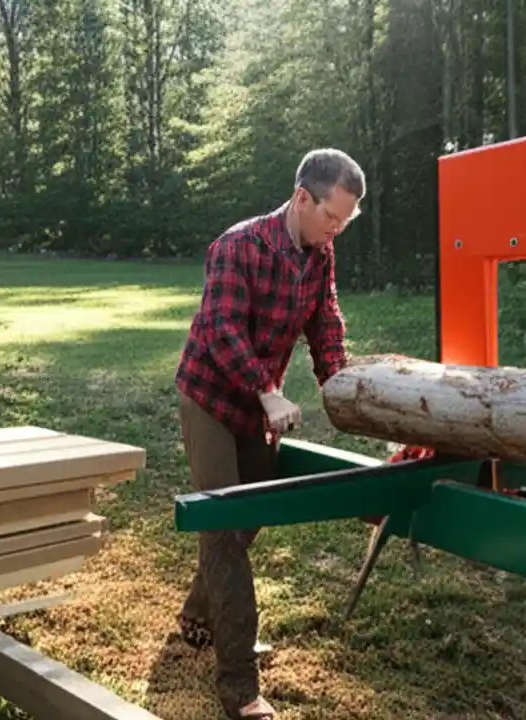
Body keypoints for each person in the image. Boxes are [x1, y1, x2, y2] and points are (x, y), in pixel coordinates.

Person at [173, 148, 364, 720]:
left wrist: (341, 389)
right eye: (332, 217)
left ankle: (199, 619)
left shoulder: (319, 254)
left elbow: (323, 321)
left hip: (259, 405)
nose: (336, 230)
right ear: (302, 198)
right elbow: (222, 330)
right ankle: (239, 688)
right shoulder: (238, 247)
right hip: (210, 397)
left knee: (244, 523)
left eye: (346, 222)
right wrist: (267, 390)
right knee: (226, 529)